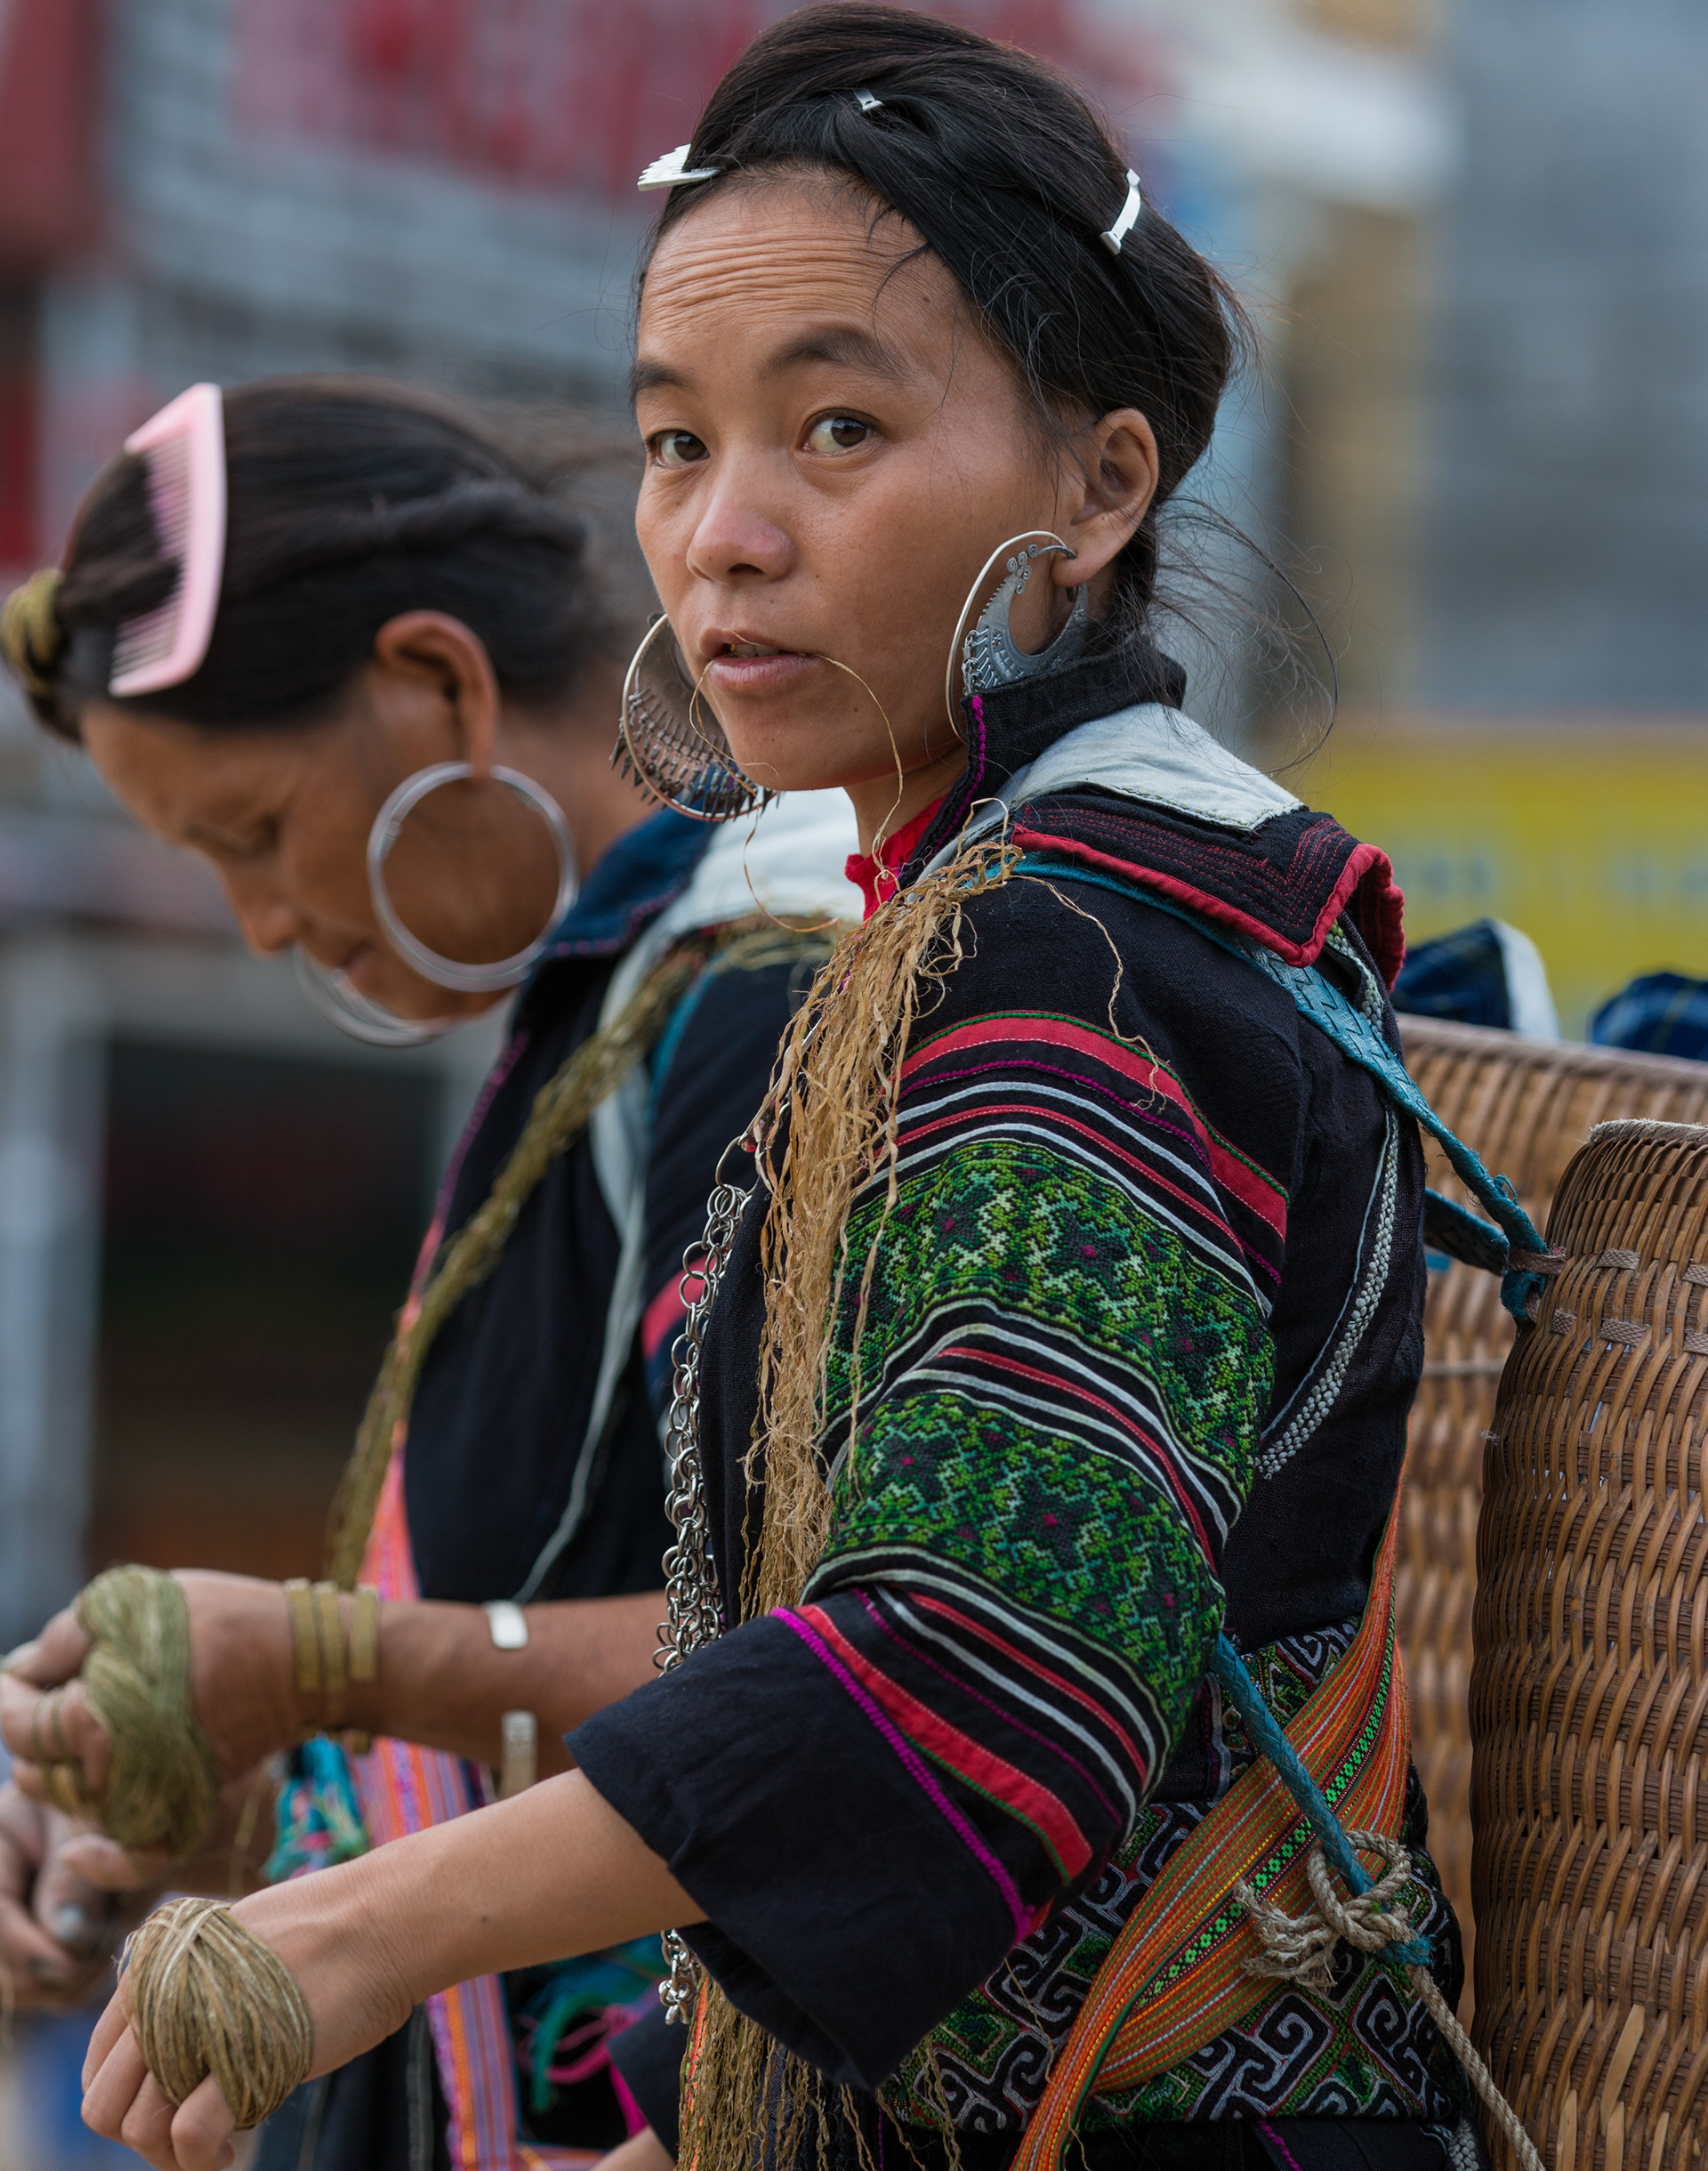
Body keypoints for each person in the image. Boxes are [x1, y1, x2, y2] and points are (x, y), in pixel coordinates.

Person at [35, 9, 1502, 2166]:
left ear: (1102, 485)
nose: (724, 531)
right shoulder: (960, 919)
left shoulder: (1076, 959)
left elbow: (974, 1670)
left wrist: (358, 1912)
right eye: (674, 440)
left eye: (836, 428)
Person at [0, 375, 855, 2168]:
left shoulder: (763, 1002)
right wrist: (189, 1811)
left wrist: (324, 1658)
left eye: (252, 830)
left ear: (435, 687)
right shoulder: (611, 1013)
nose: (262, 920)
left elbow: (844, 1672)